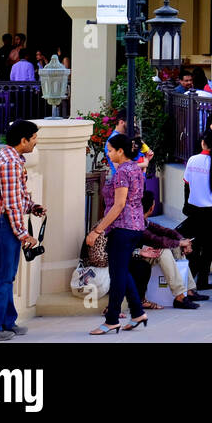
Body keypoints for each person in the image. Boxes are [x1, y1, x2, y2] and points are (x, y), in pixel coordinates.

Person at [0, 119, 44, 340]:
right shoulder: (10, 162)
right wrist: (23, 233)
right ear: (23, 140)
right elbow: (12, 203)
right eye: (34, 138)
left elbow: (18, 197)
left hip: (3, 223)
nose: (36, 142)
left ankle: (6, 322)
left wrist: (33, 207)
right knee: (2, 276)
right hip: (1, 224)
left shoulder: (12, 159)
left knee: (7, 276)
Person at [87, 133, 148, 335]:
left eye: (111, 150)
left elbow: (119, 204)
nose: (108, 153)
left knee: (118, 274)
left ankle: (112, 319)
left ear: (120, 151)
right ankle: (138, 312)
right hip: (135, 226)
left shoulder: (122, 172)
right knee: (122, 271)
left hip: (122, 228)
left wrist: (98, 230)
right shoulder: (135, 168)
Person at [132, 191, 205, 309]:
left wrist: (182, 240)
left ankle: (189, 290)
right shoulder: (136, 222)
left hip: (141, 253)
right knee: (164, 251)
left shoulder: (143, 220)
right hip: (133, 256)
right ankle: (180, 296)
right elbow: (156, 239)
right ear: (152, 207)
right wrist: (180, 242)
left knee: (175, 247)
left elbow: (165, 231)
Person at [184, 132, 212, 292]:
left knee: (194, 247)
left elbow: (187, 186)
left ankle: (189, 280)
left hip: (194, 211)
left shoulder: (192, 160)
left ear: (203, 143)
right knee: (208, 249)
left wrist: (186, 206)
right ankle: (202, 280)